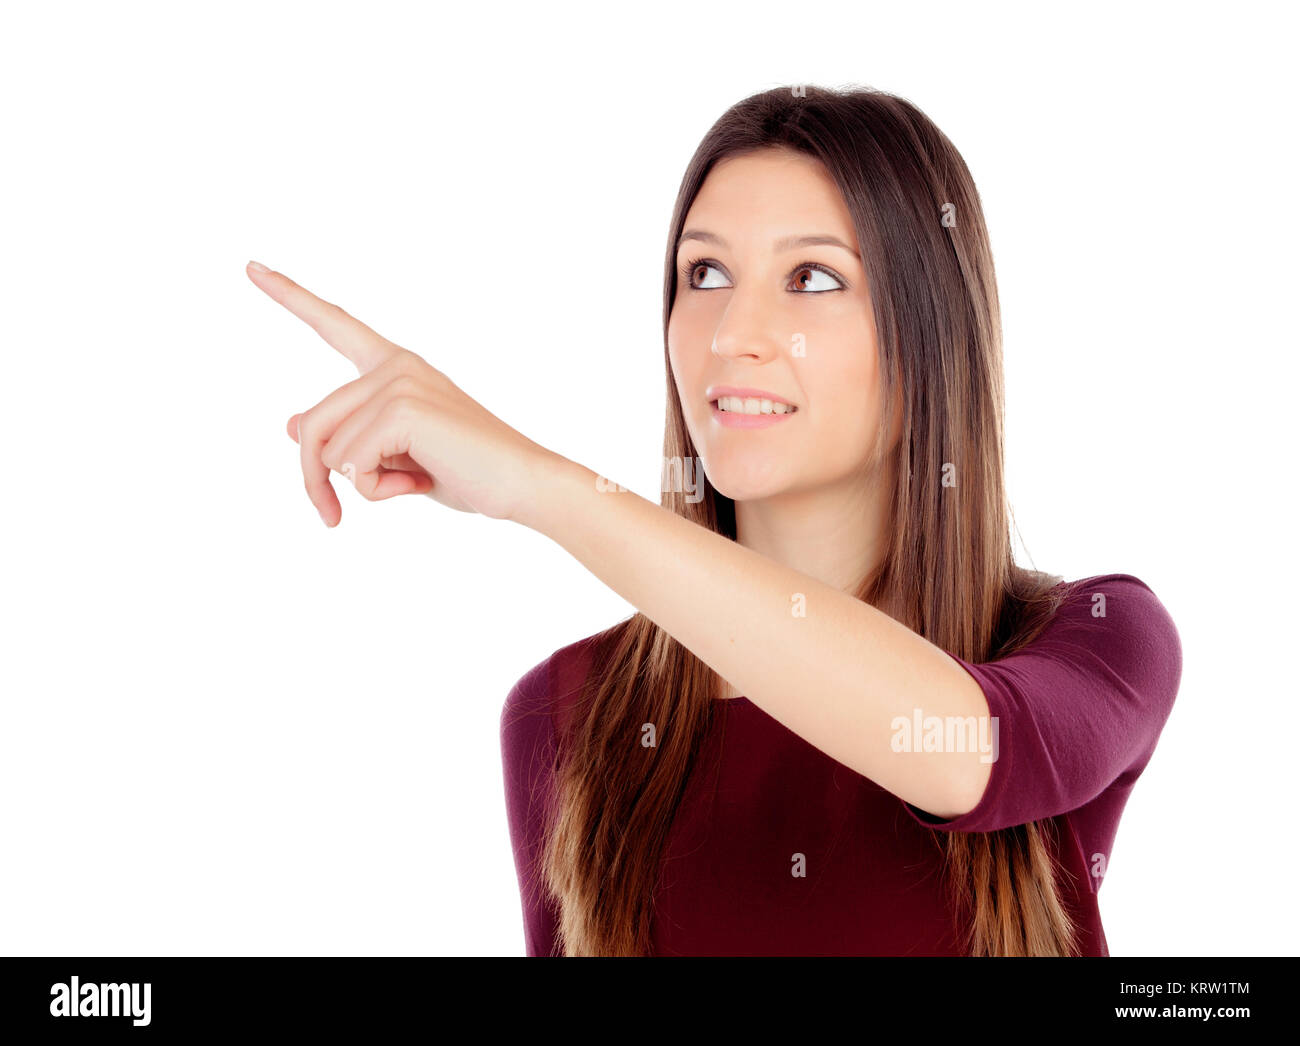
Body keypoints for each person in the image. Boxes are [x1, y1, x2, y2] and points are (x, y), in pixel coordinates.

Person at [249, 84, 1182, 957]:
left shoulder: (1095, 639)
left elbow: (958, 752)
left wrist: (543, 487)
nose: (733, 330)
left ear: (930, 331)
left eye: (812, 278)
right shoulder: (566, 715)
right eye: (704, 272)